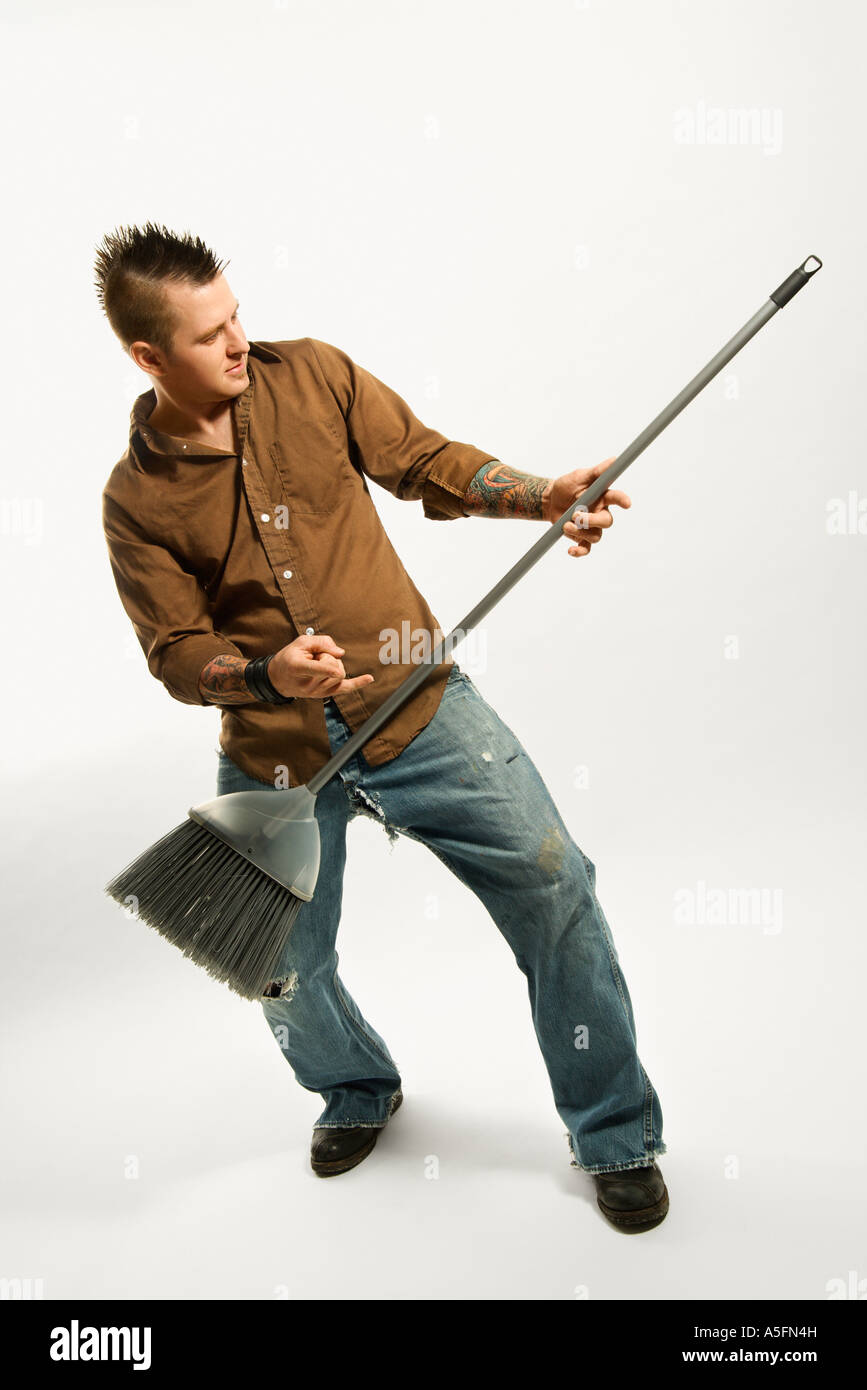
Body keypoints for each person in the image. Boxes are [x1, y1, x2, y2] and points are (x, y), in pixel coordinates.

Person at [95, 222, 668, 1233]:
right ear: (148, 357)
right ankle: (355, 1087)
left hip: (414, 699)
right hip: (274, 755)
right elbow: (175, 651)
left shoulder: (312, 375)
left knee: (559, 888)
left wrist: (542, 497)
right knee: (276, 964)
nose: (238, 344)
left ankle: (616, 1132)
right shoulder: (134, 499)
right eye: (208, 336)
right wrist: (268, 671)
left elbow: (424, 463)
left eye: (237, 317)